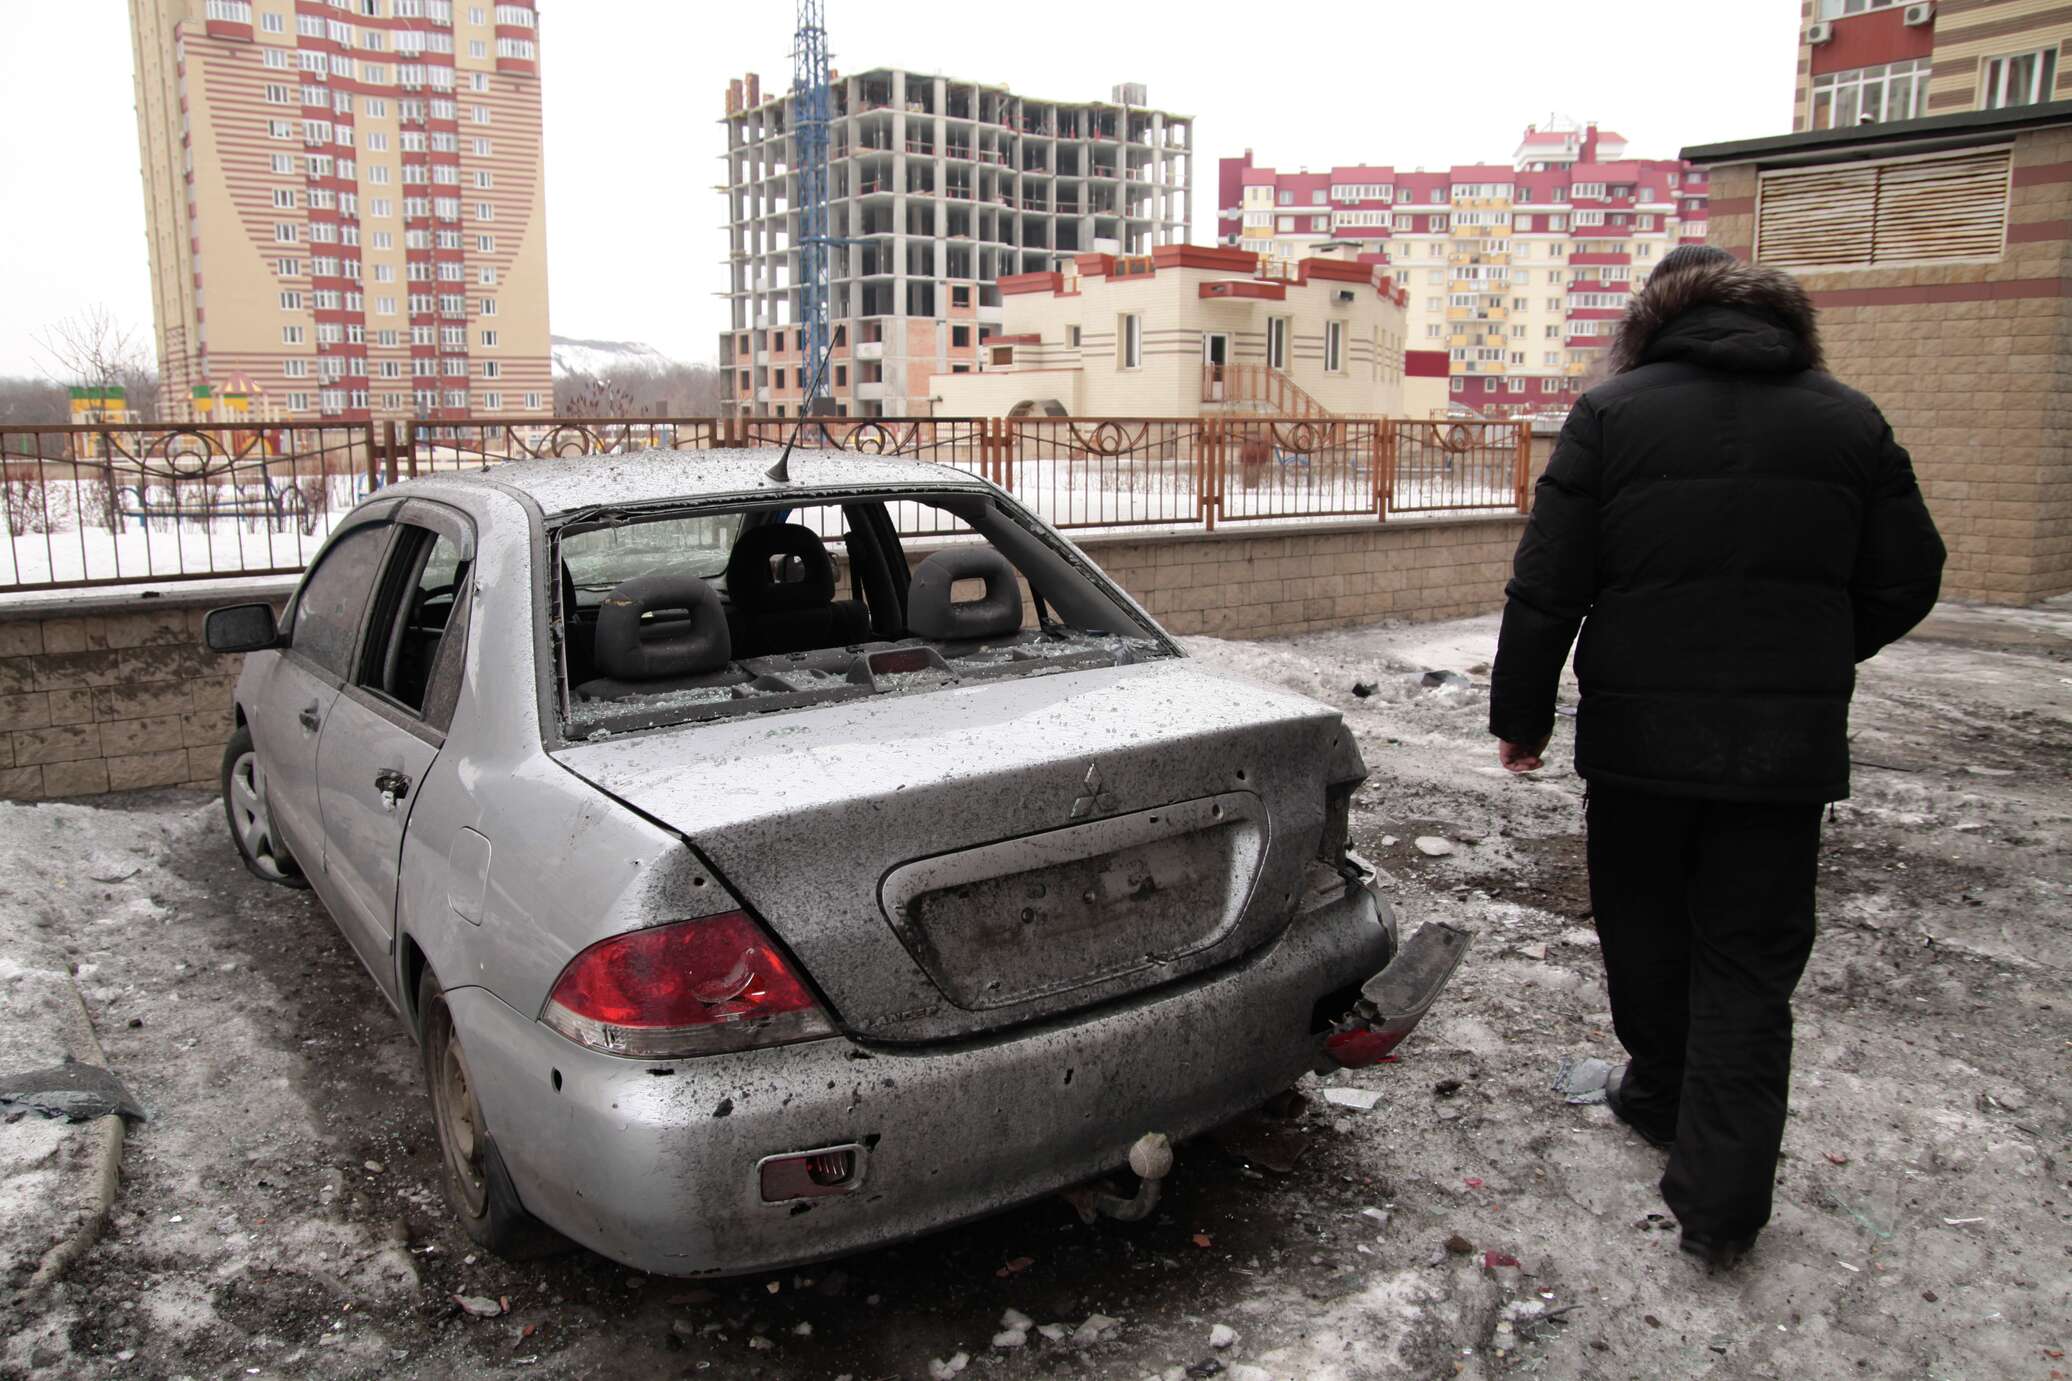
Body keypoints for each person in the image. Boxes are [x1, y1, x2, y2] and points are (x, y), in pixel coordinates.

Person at [1487, 245, 1945, 1269]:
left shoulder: (1610, 415)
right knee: (1747, 961)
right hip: (1783, 754)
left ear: (1651, 322)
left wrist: (1522, 716)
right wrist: (1815, 650)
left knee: (1643, 924)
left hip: (1638, 744)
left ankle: (1658, 1092)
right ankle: (1721, 1206)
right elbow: (1909, 575)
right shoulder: (1849, 419)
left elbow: (1547, 583)